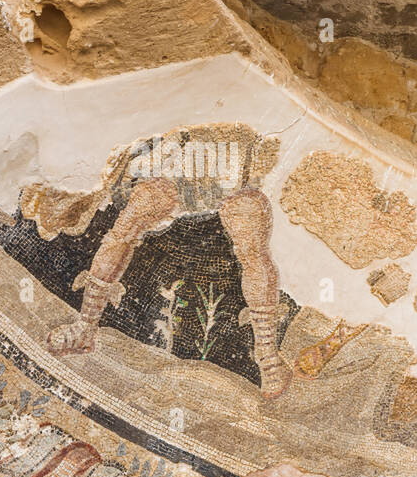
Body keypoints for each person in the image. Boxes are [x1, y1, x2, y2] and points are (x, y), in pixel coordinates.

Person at [45, 125, 292, 399]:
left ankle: (268, 358)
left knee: (251, 234)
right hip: (181, 160)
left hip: (238, 158)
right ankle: (85, 327)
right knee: (129, 221)